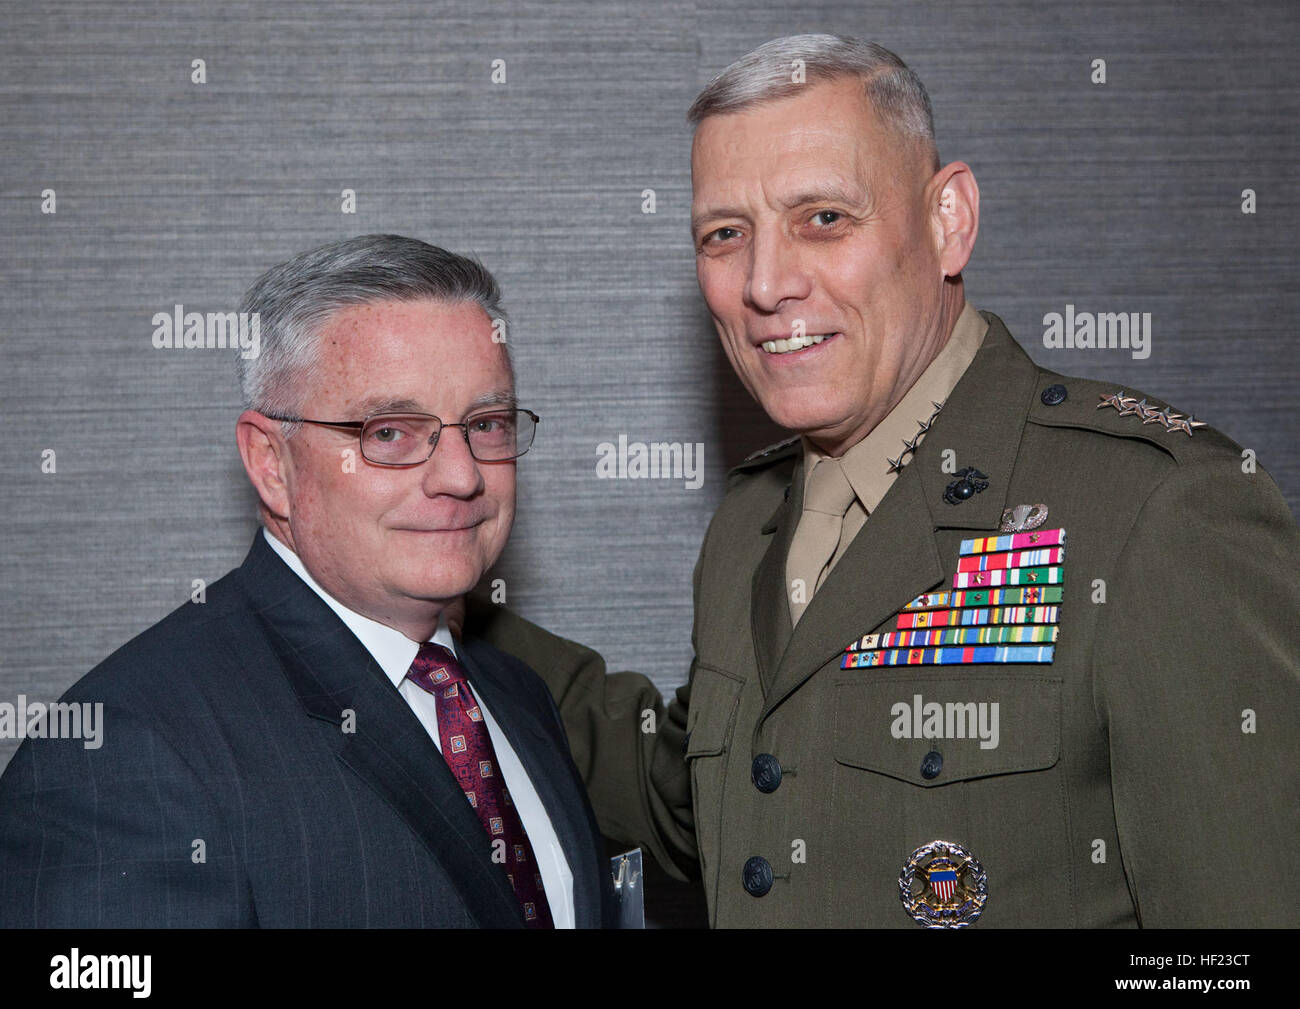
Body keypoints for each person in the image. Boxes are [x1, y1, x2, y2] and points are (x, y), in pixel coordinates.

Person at [477, 34, 1300, 927]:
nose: (766, 283)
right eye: (725, 234)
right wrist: (433, 605)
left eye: (823, 218)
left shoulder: (1154, 510)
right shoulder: (753, 522)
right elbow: (705, 800)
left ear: (949, 221)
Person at [0, 234, 614, 928]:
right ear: (270, 463)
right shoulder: (122, 756)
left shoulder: (514, 697)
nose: (462, 476)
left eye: (487, 424)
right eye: (390, 433)